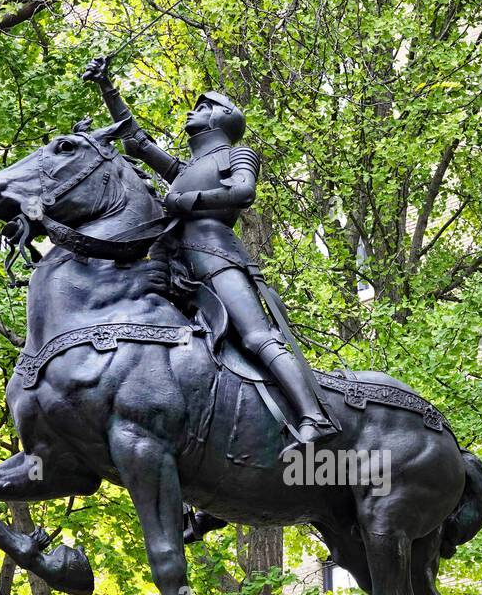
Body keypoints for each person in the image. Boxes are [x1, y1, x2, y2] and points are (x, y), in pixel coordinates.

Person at [83, 57, 336, 448]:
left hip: (216, 254)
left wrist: (186, 200)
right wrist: (107, 87)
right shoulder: (185, 167)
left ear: (222, 117)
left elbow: (243, 192)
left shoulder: (237, 154)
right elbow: (137, 141)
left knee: (255, 336)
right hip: (176, 266)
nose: (191, 111)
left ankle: (313, 417)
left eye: (202, 107)